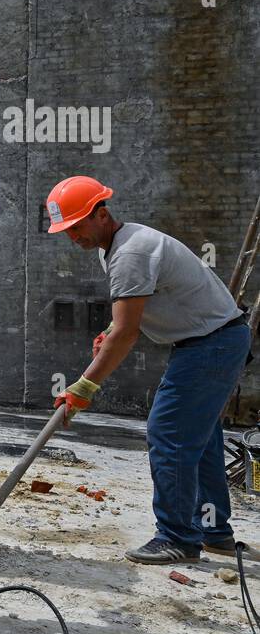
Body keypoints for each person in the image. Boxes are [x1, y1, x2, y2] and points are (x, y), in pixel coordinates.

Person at [46, 175, 255, 564]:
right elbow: (126, 318)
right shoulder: (116, 246)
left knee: (170, 432)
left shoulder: (131, 254)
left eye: (77, 227)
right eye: (66, 231)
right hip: (214, 340)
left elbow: (127, 333)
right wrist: (109, 331)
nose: (73, 237)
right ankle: (213, 531)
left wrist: (84, 387)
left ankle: (177, 537)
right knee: (201, 439)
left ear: (102, 214)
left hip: (211, 345)